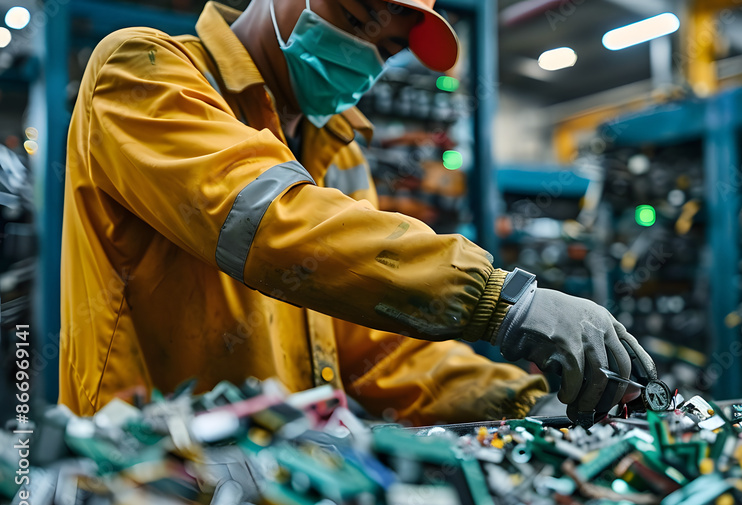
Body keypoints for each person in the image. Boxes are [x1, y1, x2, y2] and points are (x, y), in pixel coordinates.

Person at [59, 0, 654, 427]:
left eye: (386, 49)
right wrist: (503, 300)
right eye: (355, 18)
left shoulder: (338, 153)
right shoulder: (139, 70)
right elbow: (273, 224)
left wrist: (525, 403)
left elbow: (378, 353)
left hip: (283, 479)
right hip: (144, 462)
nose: (365, 55)